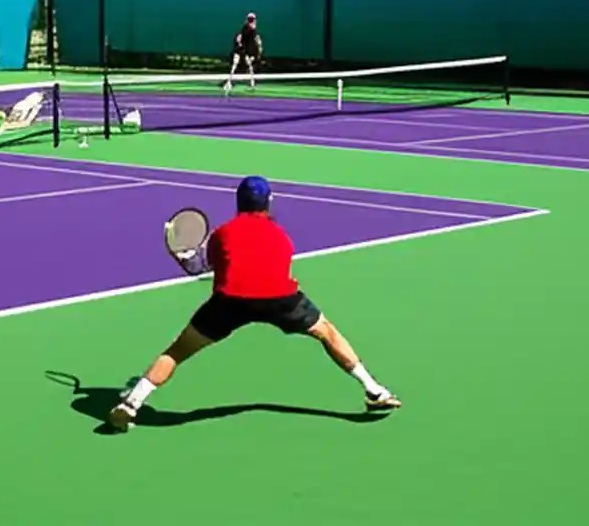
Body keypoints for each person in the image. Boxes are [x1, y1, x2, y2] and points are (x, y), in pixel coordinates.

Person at [107, 175, 402, 433]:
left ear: (238, 203)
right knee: (328, 333)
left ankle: (132, 402)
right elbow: (273, 271)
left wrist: (181, 256)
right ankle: (373, 390)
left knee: (177, 351)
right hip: (280, 299)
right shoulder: (281, 237)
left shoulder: (222, 234)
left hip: (229, 303)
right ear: (268, 203)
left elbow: (198, 268)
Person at [224, 12, 261, 94]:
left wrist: (257, 47)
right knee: (234, 66)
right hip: (240, 50)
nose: (252, 21)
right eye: (250, 19)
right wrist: (241, 48)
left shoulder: (253, 30)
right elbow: (239, 39)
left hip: (247, 51)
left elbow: (255, 39)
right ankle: (229, 83)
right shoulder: (245, 28)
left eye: (253, 19)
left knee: (250, 66)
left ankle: (252, 84)